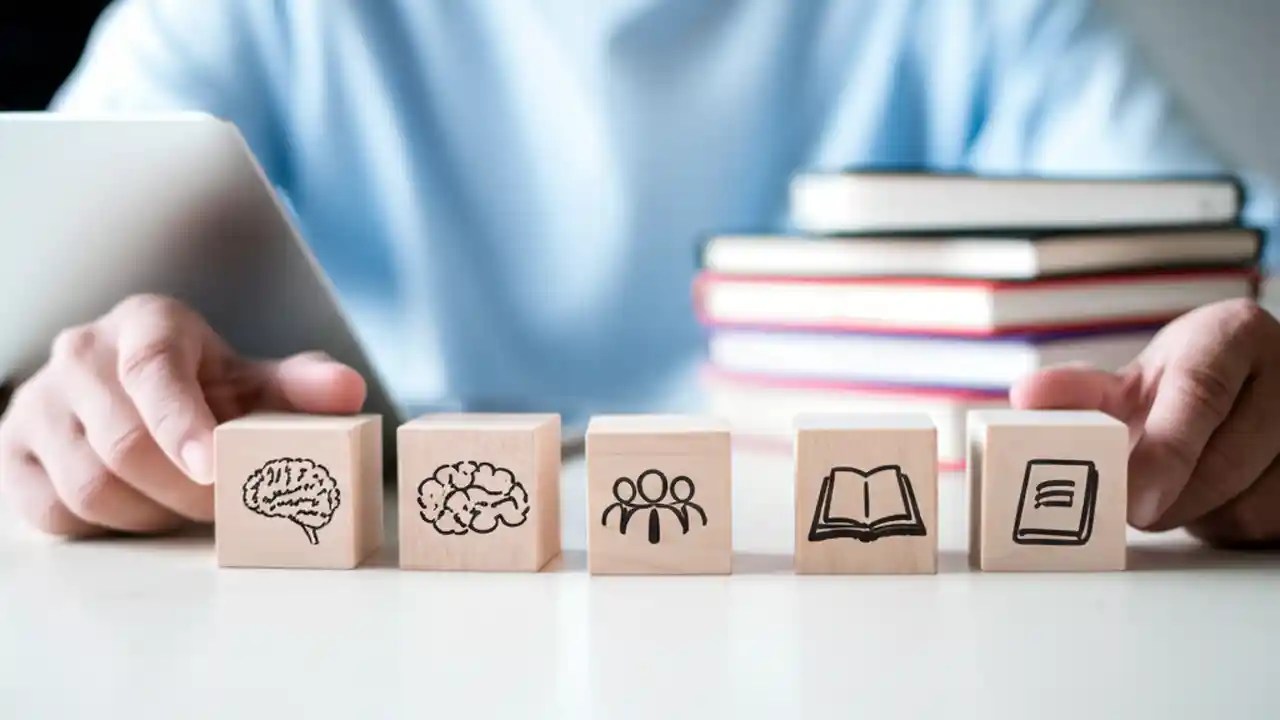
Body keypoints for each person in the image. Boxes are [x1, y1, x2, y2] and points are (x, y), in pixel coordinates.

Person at [1, 0, 1277, 546]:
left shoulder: (981, 16)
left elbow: (1237, 276)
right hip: (378, 593)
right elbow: (53, 302)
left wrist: (1246, 392)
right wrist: (74, 396)